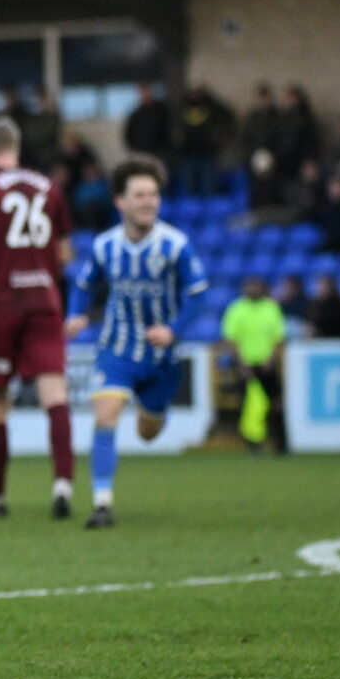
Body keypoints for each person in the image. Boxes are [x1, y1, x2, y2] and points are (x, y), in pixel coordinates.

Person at [64, 159, 209, 528]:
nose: (149, 202)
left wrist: (174, 330)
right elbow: (84, 286)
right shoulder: (105, 246)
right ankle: (102, 504)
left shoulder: (175, 245)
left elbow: (197, 295)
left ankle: (154, 410)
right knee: (105, 415)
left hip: (161, 356)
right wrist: (76, 314)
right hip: (117, 347)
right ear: (120, 201)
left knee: (148, 433)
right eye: (140, 195)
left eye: (153, 195)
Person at [0, 117, 75, 518]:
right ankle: (62, 486)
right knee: (54, 393)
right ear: (17, 149)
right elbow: (65, 253)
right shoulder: (49, 187)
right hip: (44, 301)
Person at [222, 275, 288, 453]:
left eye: (255, 287)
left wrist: (271, 359)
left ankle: (281, 443)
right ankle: (252, 442)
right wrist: (241, 364)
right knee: (248, 405)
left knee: (276, 402)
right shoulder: (236, 309)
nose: (252, 290)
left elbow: (278, 337)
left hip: (267, 364)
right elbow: (231, 339)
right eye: (249, 287)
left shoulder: (271, 308)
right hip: (245, 365)